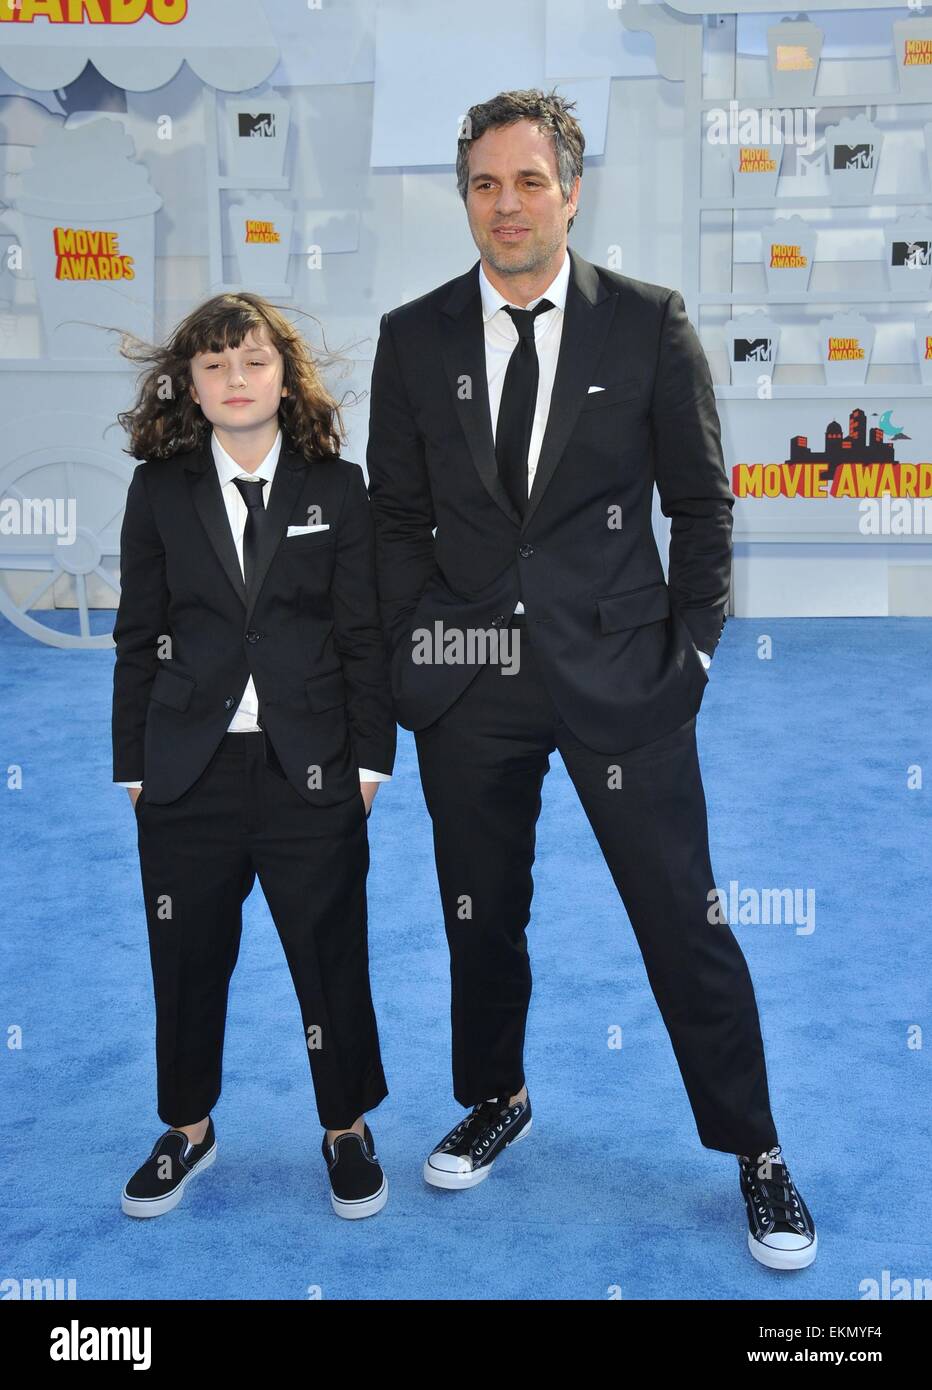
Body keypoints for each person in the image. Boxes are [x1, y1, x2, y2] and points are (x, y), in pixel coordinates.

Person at [366, 89, 816, 1269]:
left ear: (572, 191)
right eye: (482, 184)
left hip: (623, 674)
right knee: (480, 915)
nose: (505, 206)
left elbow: (700, 505)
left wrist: (695, 652)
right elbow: (394, 520)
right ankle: (495, 1092)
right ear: (461, 196)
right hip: (470, 680)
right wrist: (425, 658)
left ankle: (755, 1149)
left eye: (527, 182)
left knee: (682, 916)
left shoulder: (647, 324)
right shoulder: (410, 338)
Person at [112, 292, 395, 1220]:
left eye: (254, 362)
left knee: (329, 953)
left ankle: (344, 1125)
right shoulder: (157, 491)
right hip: (186, 769)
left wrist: (369, 762)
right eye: (214, 366)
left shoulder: (336, 488)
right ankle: (187, 1127)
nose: (236, 380)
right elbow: (136, 636)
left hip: (311, 765)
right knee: (186, 955)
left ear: (285, 376)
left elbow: (364, 633)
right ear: (188, 387)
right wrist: (136, 769)